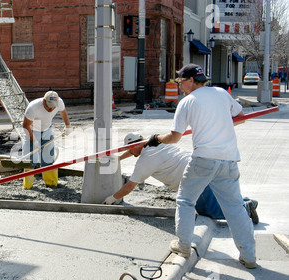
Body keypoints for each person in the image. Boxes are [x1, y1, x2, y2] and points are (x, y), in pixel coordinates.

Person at [142, 64, 257, 269]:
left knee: (186, 200)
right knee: (235, 208)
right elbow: (239, 117)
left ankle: (184, 245)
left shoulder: (188, 102)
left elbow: (174, 137)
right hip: (229, 159)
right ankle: (249, 256)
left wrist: (156, 139)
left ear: (191, 81)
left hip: (204, 159)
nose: (179, 86)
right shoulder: (221, 93)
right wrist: (221, 123)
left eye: (180, 82)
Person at [102, 132, 259, 225]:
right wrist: (118, 159)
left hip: (192, 178)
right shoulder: (155, 142)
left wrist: (111, 199)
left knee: (209, 210)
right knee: (219, 196)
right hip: (200, 164)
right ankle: (245, 201)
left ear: (134, 146)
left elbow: (129, 186)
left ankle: (245, 209)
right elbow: (133, 151)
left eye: (128, 148)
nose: (129, 151)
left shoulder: (145, 162)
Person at [22, 91, 72, 188]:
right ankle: (27, 186)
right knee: (30, 159)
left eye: (54, 106)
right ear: (44, 101)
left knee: (48, 156)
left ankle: (51, 183)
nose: (52, 108)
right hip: (33, 129)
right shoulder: (33, 107)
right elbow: (25, 126)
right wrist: (35, 142)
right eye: (49, 106)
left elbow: (63, 111)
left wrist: (68, 125)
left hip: (46, 129)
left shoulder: (59, 102)